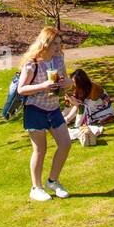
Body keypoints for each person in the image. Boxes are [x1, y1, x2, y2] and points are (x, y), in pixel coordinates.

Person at [16, 26, 73, 202]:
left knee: (65, 143)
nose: (57, 47)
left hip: (53, 107)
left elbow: (68, 81)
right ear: (45, 43)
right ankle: (36, 188)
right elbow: (21, 89)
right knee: (40, 150)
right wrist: (43, 86)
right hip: (35, 109)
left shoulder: (58, 59)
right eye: (54, 43)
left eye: (59, 43)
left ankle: (53, 181)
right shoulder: (32, 63)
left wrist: (66, 83)